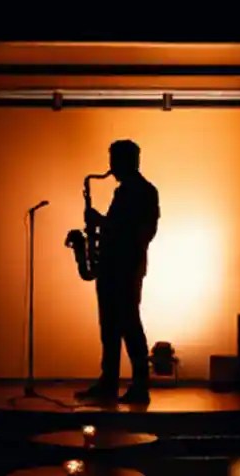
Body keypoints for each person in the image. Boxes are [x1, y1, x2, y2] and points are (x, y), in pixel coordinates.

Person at [76, 139, 160, 405]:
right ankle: (110, 382)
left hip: (123, 268)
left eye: (114, 160)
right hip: (118, 266)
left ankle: (136, 385)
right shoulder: (136, 190)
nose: (110, 168)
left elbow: (135, 231)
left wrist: (98, 222)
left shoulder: (137, 192)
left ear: (127, 161)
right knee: (111, 327)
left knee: (127, 325)